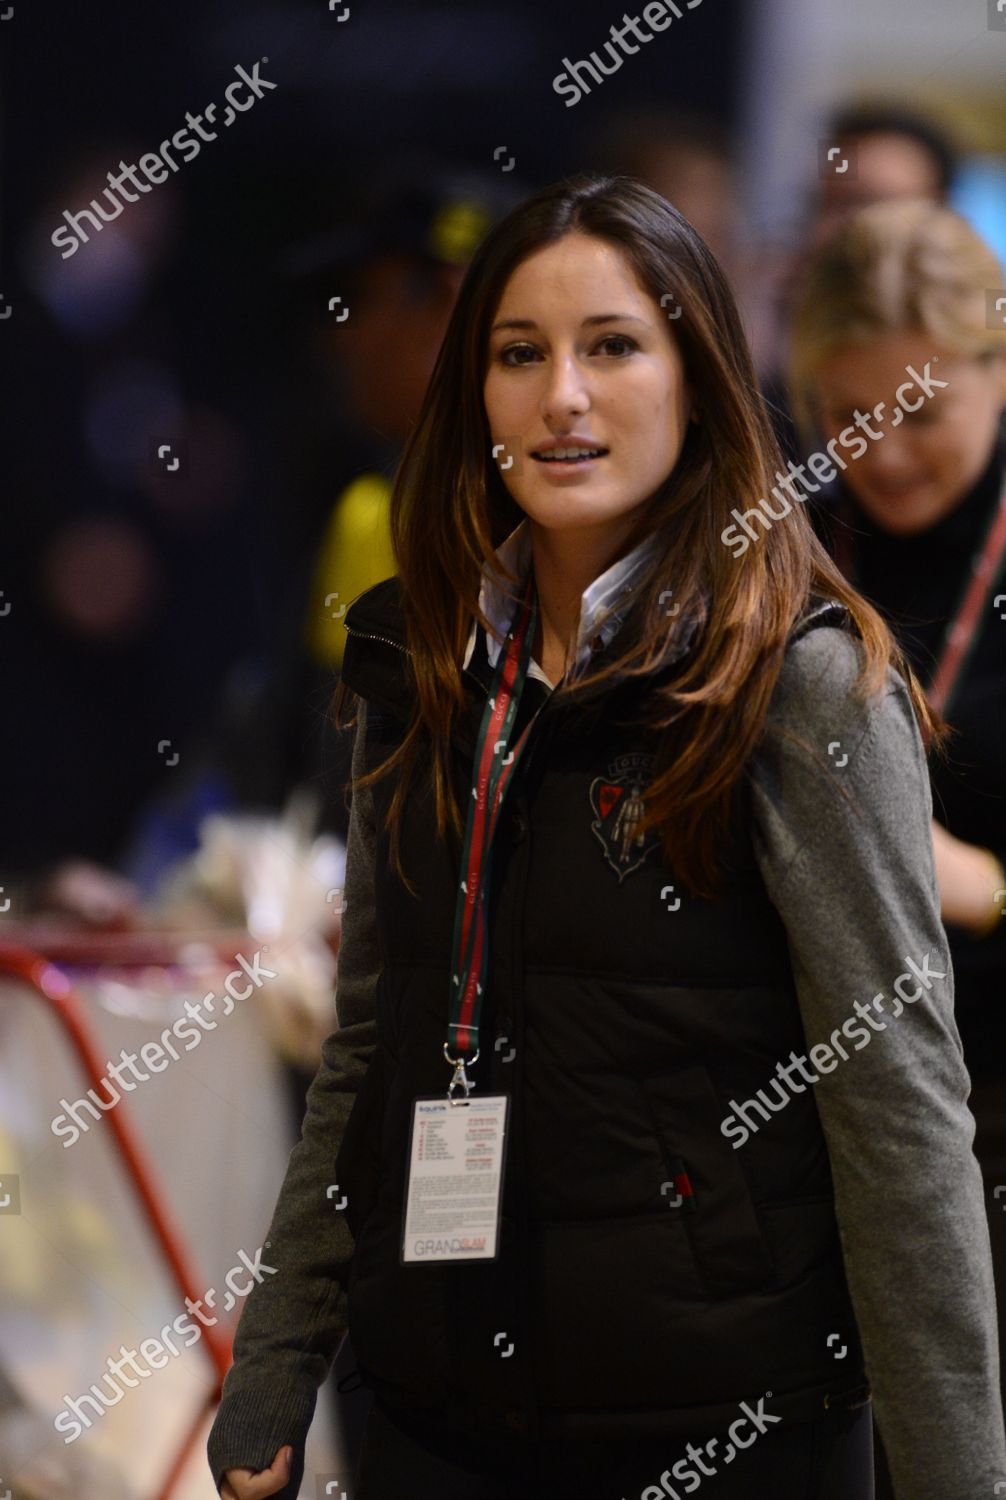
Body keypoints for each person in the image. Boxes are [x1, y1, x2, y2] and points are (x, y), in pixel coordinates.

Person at [205, 173, 1005, 1500]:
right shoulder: (415, 657)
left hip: (723, 1424)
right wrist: (278, 1359)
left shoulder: (801, 684)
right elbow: (370, 1044)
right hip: (436, 1410)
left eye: (614, 347)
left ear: (699, 381)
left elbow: (897, 1114)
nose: (562, 396)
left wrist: (953, 1482)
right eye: (520, 354)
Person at [787, 195, 1006, 1497]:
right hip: (804, 1091)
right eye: (849, 412)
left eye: (921, 412)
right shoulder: (785, 540)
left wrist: (988, 886)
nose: (884, 451)